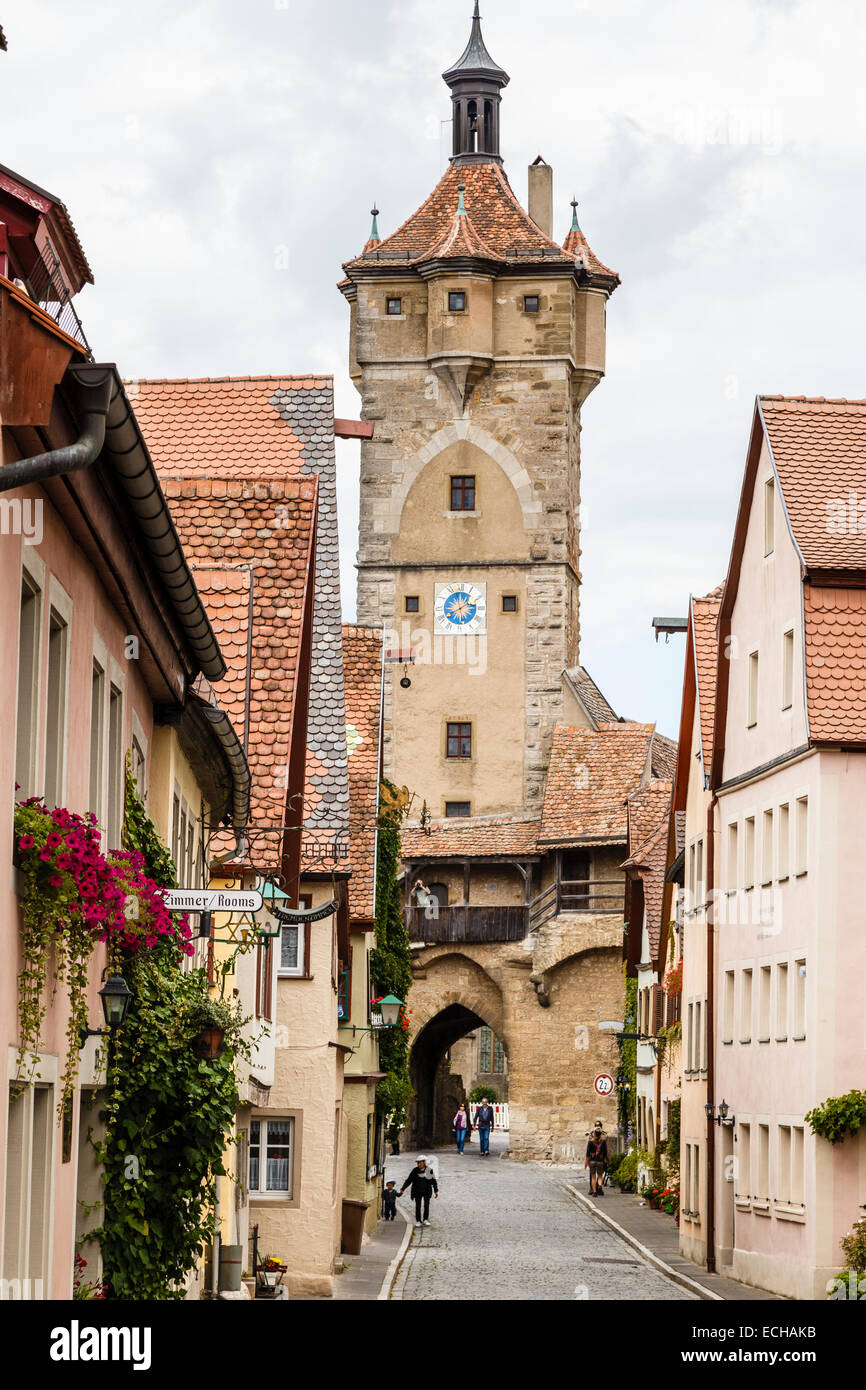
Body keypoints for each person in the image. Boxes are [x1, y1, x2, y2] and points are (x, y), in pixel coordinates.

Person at [399, 1154, 439, 1226]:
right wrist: (403, 1188)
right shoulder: (415, 1171)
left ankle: (425, 1219)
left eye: (420, 1162)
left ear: (424, 1162)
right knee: (418, 1206)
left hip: (426, 1191)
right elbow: (409, 1180)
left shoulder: (429, 1170)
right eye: (418, 1163)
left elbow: (433, 1181)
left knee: (426, 1205)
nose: (419, 1164)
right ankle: (418, 1220)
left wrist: (436, 1190)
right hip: (417, 1191)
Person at [585, 1125, 608, 1196]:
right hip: (600, 1161)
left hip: (592, 1161)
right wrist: (605, 1159)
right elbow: (605, 1152)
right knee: (600, 1176)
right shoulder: (603, 1142)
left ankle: (594, 1192)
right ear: (601, 1134)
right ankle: (600, 1187)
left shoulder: (590, 1142)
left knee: (593, 1177)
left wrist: (586, 1164)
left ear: (594, 1134)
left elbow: (587, 1154)